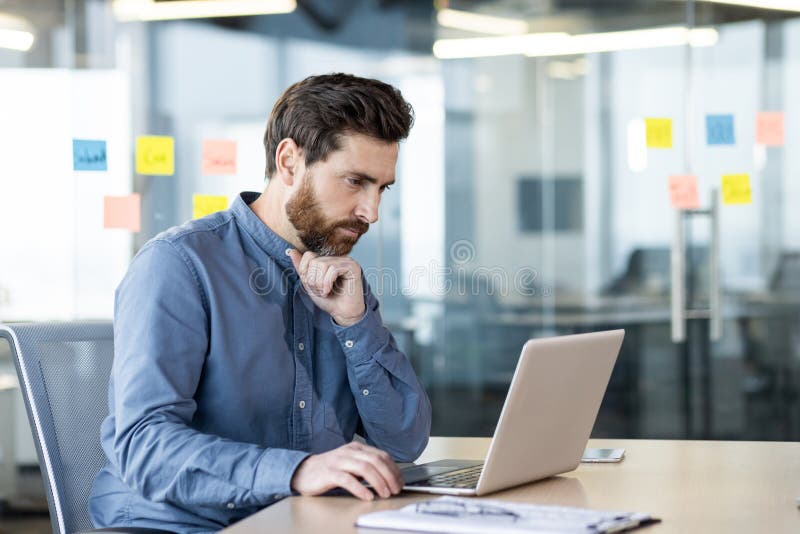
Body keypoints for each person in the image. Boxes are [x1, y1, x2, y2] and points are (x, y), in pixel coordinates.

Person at [89, 73, 432, 533]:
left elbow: (405, 440)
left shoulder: (337, 276)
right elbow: (143, 448)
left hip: (298, 521)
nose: (372, 211)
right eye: (356, 182)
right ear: (289, 161)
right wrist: (296, 472)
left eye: (382, 188)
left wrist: (355, 324)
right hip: (181, 525)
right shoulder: (178, 266)